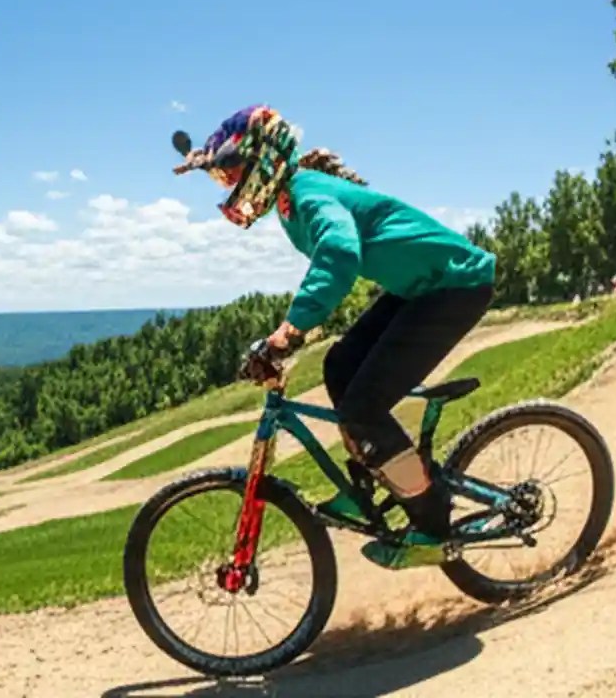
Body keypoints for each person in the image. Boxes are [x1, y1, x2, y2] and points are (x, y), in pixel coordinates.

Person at [173, 105, 498, 570]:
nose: (231, 186)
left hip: (453, 288)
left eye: (232, 172)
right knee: (339, 366)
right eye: (223, 179)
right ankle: (370, 484)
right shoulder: (292, 200)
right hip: (423, 287)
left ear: (264, 160)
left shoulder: (306, 193)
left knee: (363, 407)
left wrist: (290, 330)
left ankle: (433, 525)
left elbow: (340, 254)